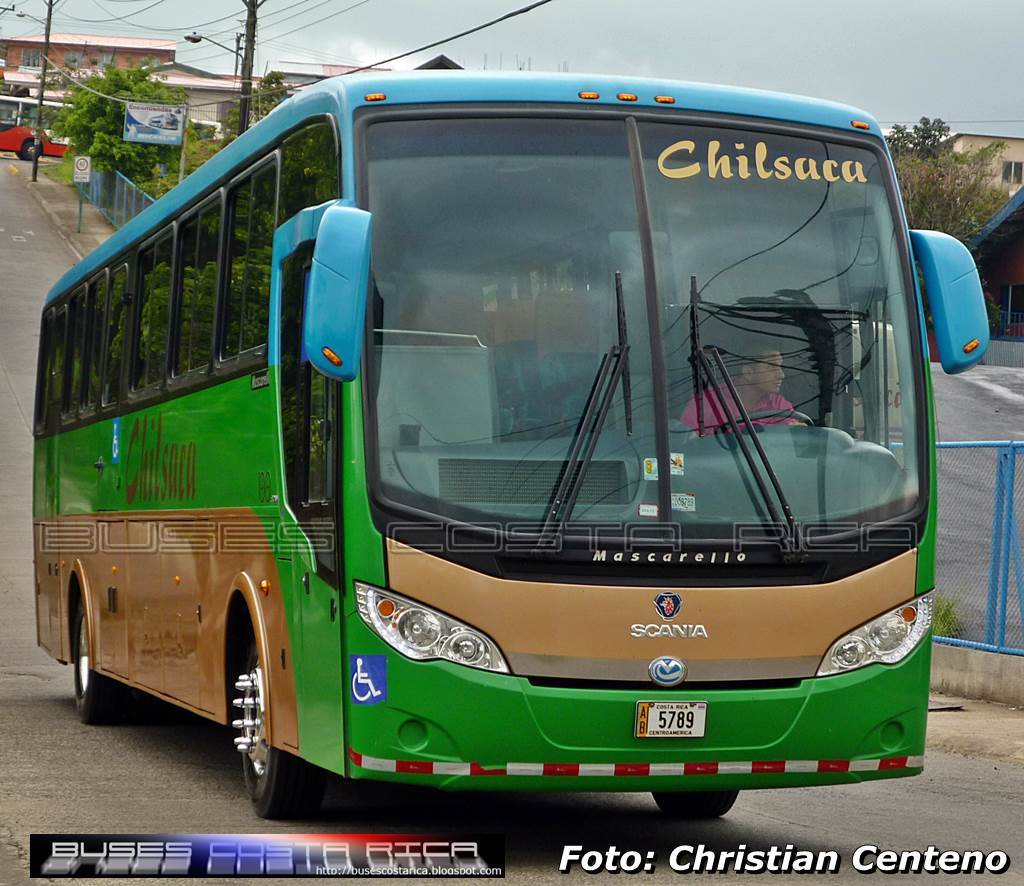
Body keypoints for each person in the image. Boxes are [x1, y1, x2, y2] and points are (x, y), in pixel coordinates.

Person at [681, 348, 797, 431]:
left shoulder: (778, 405)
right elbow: (683, 447)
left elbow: (790, 437)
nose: (781, 375)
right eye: (772, 367)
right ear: (748, 373)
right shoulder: (708, 401)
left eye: (780, 367)